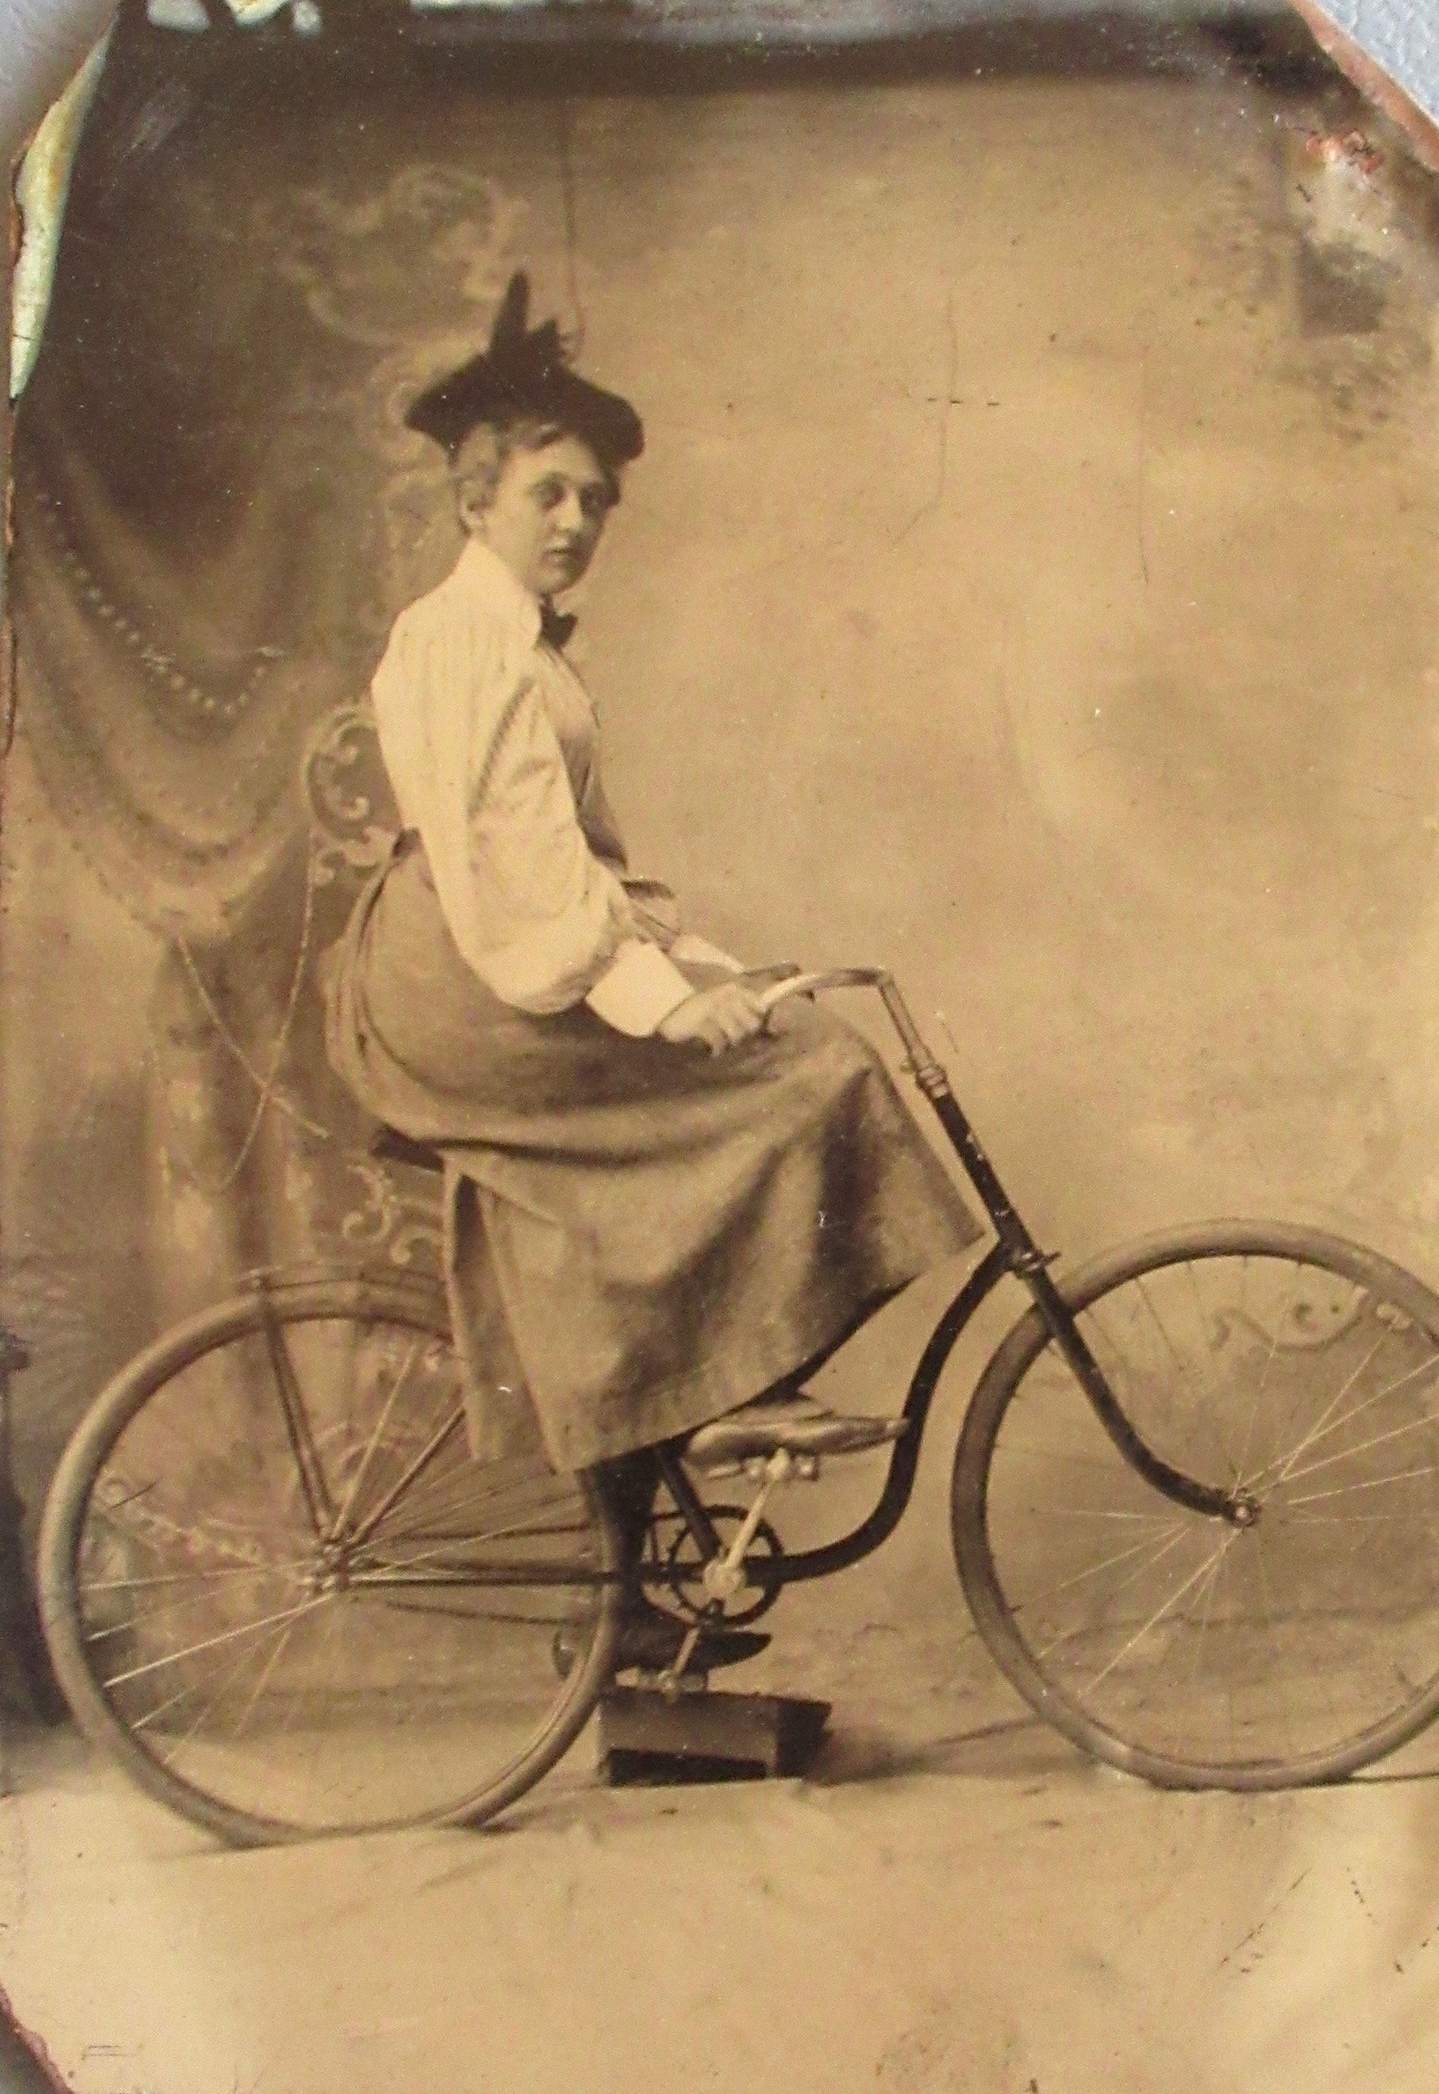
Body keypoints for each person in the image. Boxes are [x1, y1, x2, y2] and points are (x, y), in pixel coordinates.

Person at [322, 275, 980, 1669]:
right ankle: (745, 1393)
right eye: (550, 494)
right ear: (476, 497)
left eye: (595, 505)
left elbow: (585, 870)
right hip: (467, 978)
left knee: (603, 1244)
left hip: (490, 954)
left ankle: (627, 1605)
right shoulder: (465, 645)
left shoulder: (515, 648)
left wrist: (701, 963)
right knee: (815, 1082)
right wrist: (671, 1003)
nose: (576, 524)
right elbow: (523, 888)